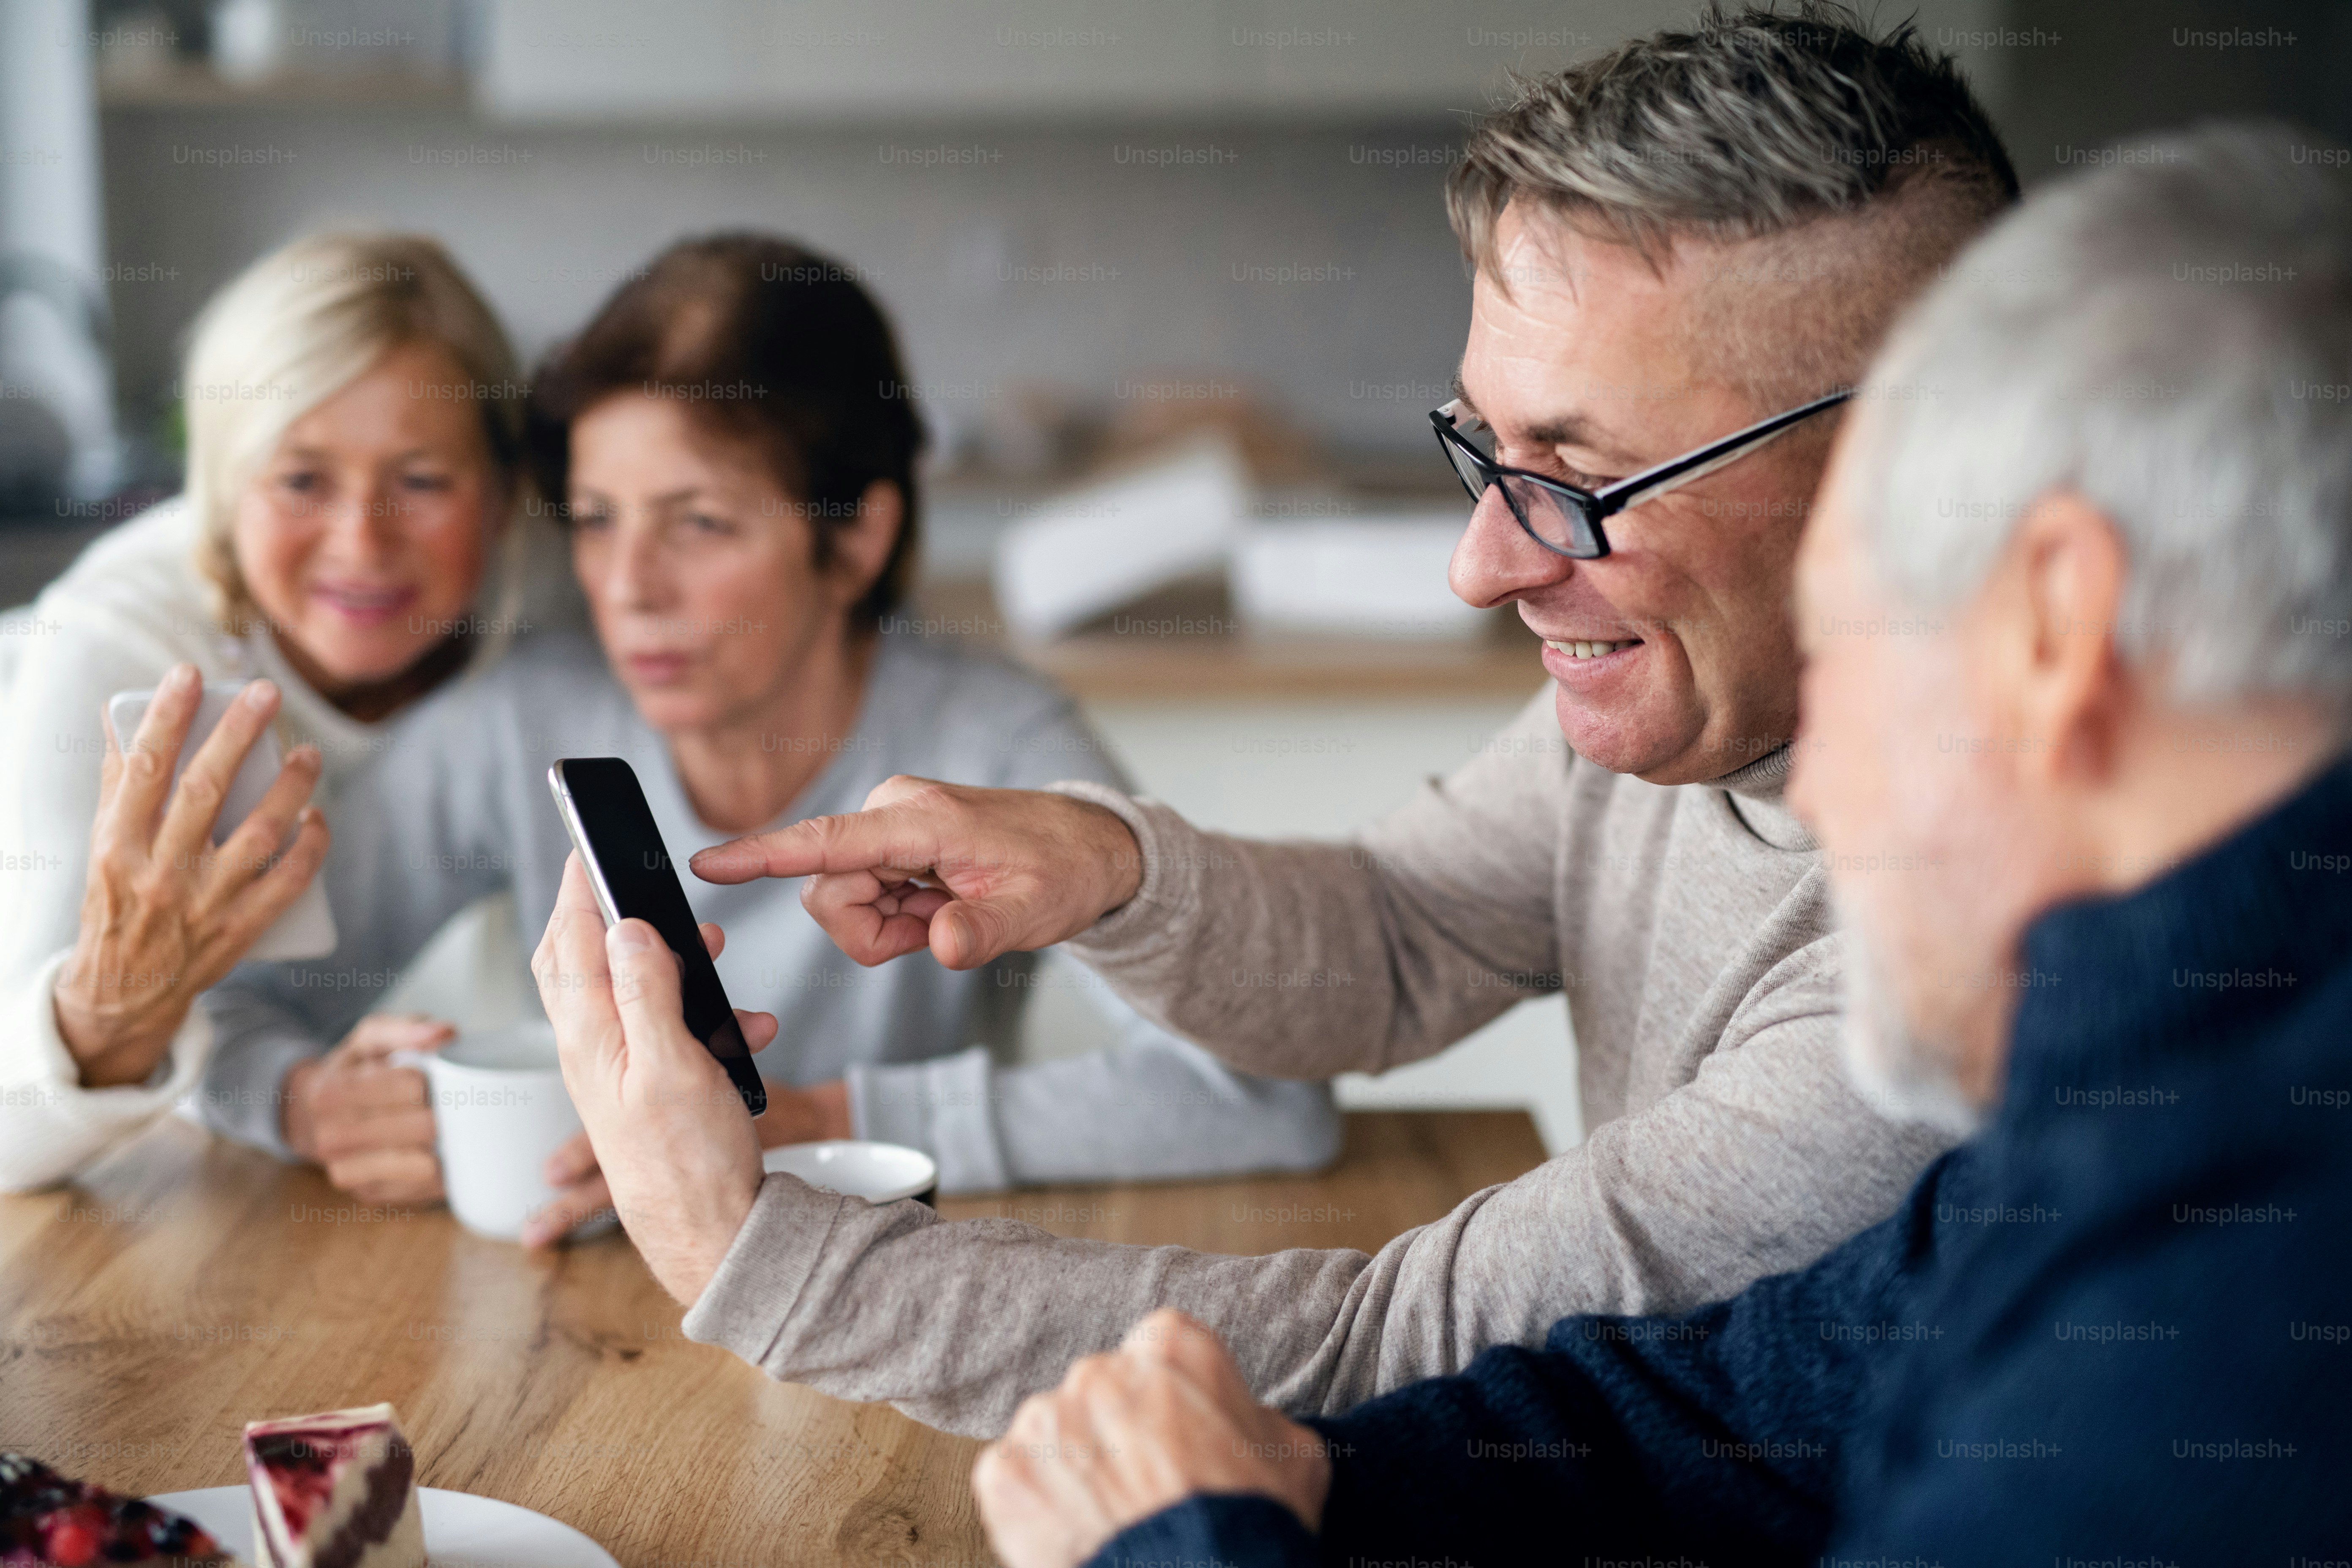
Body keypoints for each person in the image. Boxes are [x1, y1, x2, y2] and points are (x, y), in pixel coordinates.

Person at [531, 7, 2016, 1434]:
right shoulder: (1701, 716)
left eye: (1576, 474)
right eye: (1483, 448)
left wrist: (751, 1244)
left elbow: (1407, 1360)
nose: (1482, 562)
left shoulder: (1931, 982)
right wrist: (1107, 867)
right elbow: (1393, 933)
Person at [962, 122, 2352, 1568]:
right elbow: (1718, 1414)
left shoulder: (2205, 1372)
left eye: (1861, 635)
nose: (1818, 788)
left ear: (2056, 629)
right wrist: (1290, 1491)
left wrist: (1187, 1546)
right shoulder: (2103, 1130)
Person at [195, 234, 1339, 1228]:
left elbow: (1264, 1098)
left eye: (698, 523)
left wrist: (810, 1124)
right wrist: (302, 1101)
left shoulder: (994, 746)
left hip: (892, 1303)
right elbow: (226, 1006)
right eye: (597, 522)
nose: (630, 587)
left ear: (852, 541)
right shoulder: (513, 726)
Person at [0, 232, 568, 1191]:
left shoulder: (558, 591)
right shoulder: (113, 654)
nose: (362, 541)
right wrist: (114, 1015)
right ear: (221, 493)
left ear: (507, 495)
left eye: (421, 480)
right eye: (302, 479)